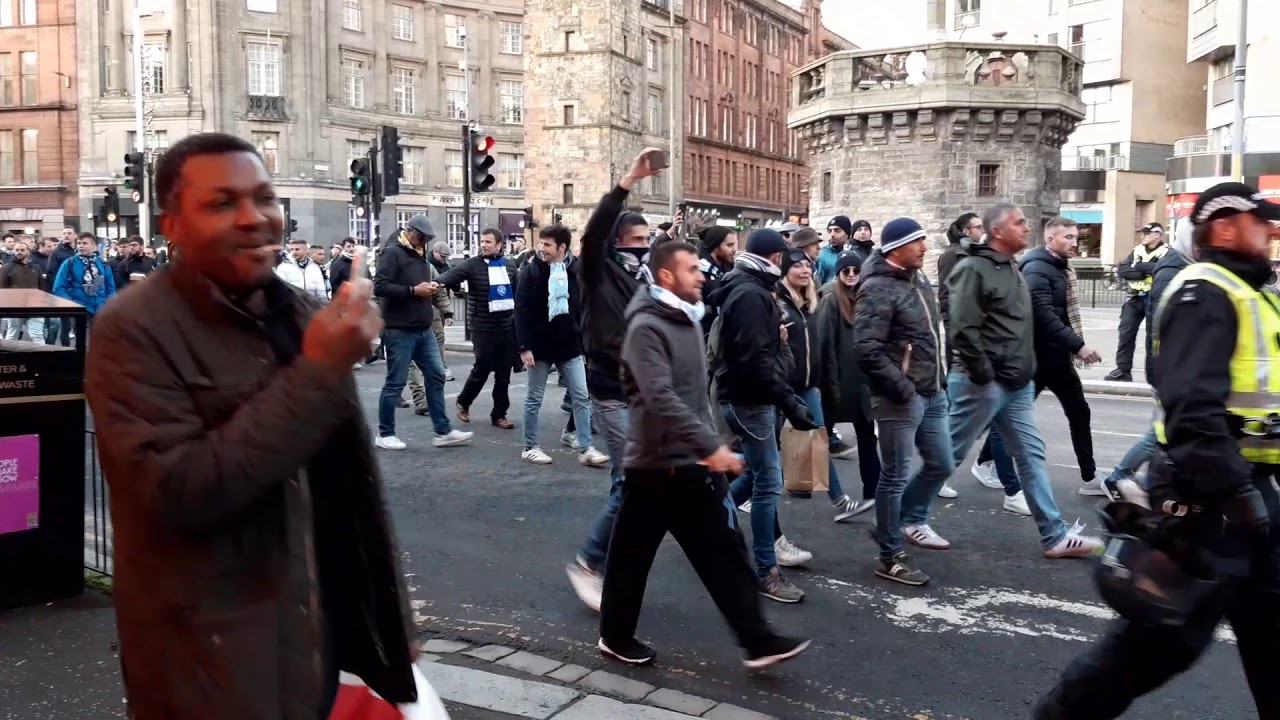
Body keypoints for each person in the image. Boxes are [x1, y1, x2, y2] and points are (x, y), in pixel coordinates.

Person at [83, 132, 419, 720]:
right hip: (211, 661)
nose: (254, 218)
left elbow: (346, 488)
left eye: (264, 198)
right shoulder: (131, 330)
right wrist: (319, 370)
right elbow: (179, 491)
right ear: (172, 225)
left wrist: (385, 621)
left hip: (313, 637)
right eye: (221, 204)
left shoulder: (300, 311)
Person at [1035, 182, 1280, 719]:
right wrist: (1238, 497)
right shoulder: (1206, 291)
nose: (1272, 229)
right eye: (1261, 220)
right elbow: (1192, 412)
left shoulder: (1257, 292)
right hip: (1211, 503)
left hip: (1253, 494)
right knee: (1151, 649)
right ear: (1225, 226)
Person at [598, 240, 811, 669]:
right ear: (666, 277)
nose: (701, 275)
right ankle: (615, 638)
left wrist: (711, 446)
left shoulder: (686, 318)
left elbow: (693, 396)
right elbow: (660, 398)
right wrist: (710, 445)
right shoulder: (647, 328)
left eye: (699, 267)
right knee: (630, 559)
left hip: (691, 466)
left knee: (724, 554)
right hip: (656, 467)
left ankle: (758, 641)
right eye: (691, 269)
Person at [904, 203, 1102, 560]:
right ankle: (906, 517)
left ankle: (1055, 536)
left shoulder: (1013, 267)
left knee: (1031, 456)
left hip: (1017, 383)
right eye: (1019, 223)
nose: (1027, 228)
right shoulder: (973, 269)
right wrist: (984, 374)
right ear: (998, 231)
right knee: (947, 456)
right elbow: (962, 328)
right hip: (983, 383)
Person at [564, 148, 664, 612]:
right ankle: (588, 561)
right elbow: (596, 231)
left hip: (641, 392)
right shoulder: (597, 272)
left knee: (628, 482)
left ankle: (610, 560)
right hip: (611, 391)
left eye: (648, 238)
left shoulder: (643, 278)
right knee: (633, 482)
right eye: (635, 239)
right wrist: (627, 182)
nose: (643, 246)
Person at [710, 228, 817, 603]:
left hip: (745, 398)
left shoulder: (747, 288)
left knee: (756, 473)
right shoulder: (753, 295)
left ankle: (713, 523)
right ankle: (766, 572)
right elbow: (757, 362)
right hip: (750, 402)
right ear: (774, 259)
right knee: (768, 483)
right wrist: (789, 400)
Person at [853, 219, 948, 585]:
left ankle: (888, 524)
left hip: (932, 391)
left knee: (941, 463)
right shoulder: (877, 287)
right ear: (896, 248)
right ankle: (890, 554)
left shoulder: (918, 279)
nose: (925, 247)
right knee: (894, 475)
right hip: (899, 397)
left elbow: (927, 336)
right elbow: (865, 349)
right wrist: (903, 387)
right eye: (917, 242)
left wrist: (938, 381)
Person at [775, 248, 869, 522]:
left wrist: (815, 382)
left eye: (808, 266)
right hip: (778, 387)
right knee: (762, 451)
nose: (805, 270)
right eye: (797, 266)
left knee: (818, 441)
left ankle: (840, 501)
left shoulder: (808, 302)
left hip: (805, 386)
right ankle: (732, 498)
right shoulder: (776, 302)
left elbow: (814, 348)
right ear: (785, 271)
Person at [373, 213, 472, 449]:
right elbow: (380, 286)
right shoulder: (392, 252)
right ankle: (385, 434)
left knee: (436, 375)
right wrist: (412, 291)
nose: (425, 243)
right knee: (395, 383)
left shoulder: (418, 255)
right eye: (423, 238)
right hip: (399, 330)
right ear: (412, 233)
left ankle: (443, 431)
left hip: (423, 327)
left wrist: (430, 289)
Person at [513, 223, 608, 467]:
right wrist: (524, 346)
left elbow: (583, 308)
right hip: (540, 344)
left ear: (562, 247)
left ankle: (585, 448)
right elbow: (521, 311)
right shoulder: (531, 272)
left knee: (581, 395)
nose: (541, 248)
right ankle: (530, 447)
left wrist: (585, 342)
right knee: (534, 397)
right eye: (541, 243)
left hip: (569, 344)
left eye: (547, 244)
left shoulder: (575, 271)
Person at [436, 229, 520, 429]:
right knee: (482, 367)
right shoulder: (473, 265)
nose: (484, 244)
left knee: (503, 374)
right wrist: (436, 282)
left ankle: (499, 415)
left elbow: (517, 292)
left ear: (499, 245)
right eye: (482, 241)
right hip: (481, 326)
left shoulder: (509, 266)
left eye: (488, 241)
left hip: (505, 326)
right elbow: (451, 275)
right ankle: (464, 401)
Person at [816, 251, 879, 513]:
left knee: (867, 438)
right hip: (836, 381)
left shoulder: (867, 299)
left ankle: (873, 493)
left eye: (856, 271)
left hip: (861, 383)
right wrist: (825, 385)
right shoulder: (830, 300)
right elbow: (823, 345)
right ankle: (825, 493)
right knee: (818, 438)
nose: (852, 276)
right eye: (846, 271)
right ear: (839, 274)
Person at [1107, 223, 1168, 382]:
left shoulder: (1167, 252)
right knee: (1126, 333)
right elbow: (1123, 270)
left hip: (1154, 299)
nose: (1142, 237)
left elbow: (1163, 270)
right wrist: (1144, 273)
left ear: (1157, 235)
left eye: (1147, 234)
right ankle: (1122, 370)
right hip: (1134, 298)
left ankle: (1153, 373)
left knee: (1153, 337)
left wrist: (1139, 266)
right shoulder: (1138, 250)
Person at [51, 232, 116, 334]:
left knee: (100, 340)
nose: (81, 246)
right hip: (80, 307)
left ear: (94, 246)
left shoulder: (103, 264)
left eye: (85, 243)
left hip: (100, 307)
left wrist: (108, 303)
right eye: (79, 243)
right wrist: (70, 303)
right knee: (81, 341)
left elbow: (110, 287)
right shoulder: (69, 263)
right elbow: (59, 287)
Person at [0, 238, 46, 342]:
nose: (19, 252)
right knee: (12, 337)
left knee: (38, 335)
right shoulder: (7, 267)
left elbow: (41, 287)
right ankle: (8, 358)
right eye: (17, 250)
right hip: (15, 308)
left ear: (28, 252)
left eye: (22, 250)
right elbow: (2, 289)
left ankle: (43, 357)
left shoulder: (36, 267)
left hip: (34, 307)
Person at [276, 237, 329, 303]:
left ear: (306, 251)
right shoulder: (283, 267)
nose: (294, 252)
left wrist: (325, 305)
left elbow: (321, 291)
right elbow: (280, 290)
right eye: (292, 249)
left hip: (311, 308)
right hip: (292, 307)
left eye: (297, 249)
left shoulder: (314, 268)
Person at [815, 215, 851, 285]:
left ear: (847, 234)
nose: (832, 234)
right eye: (829, 231)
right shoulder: (822, 255)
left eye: (837, 230)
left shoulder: (854, 253)